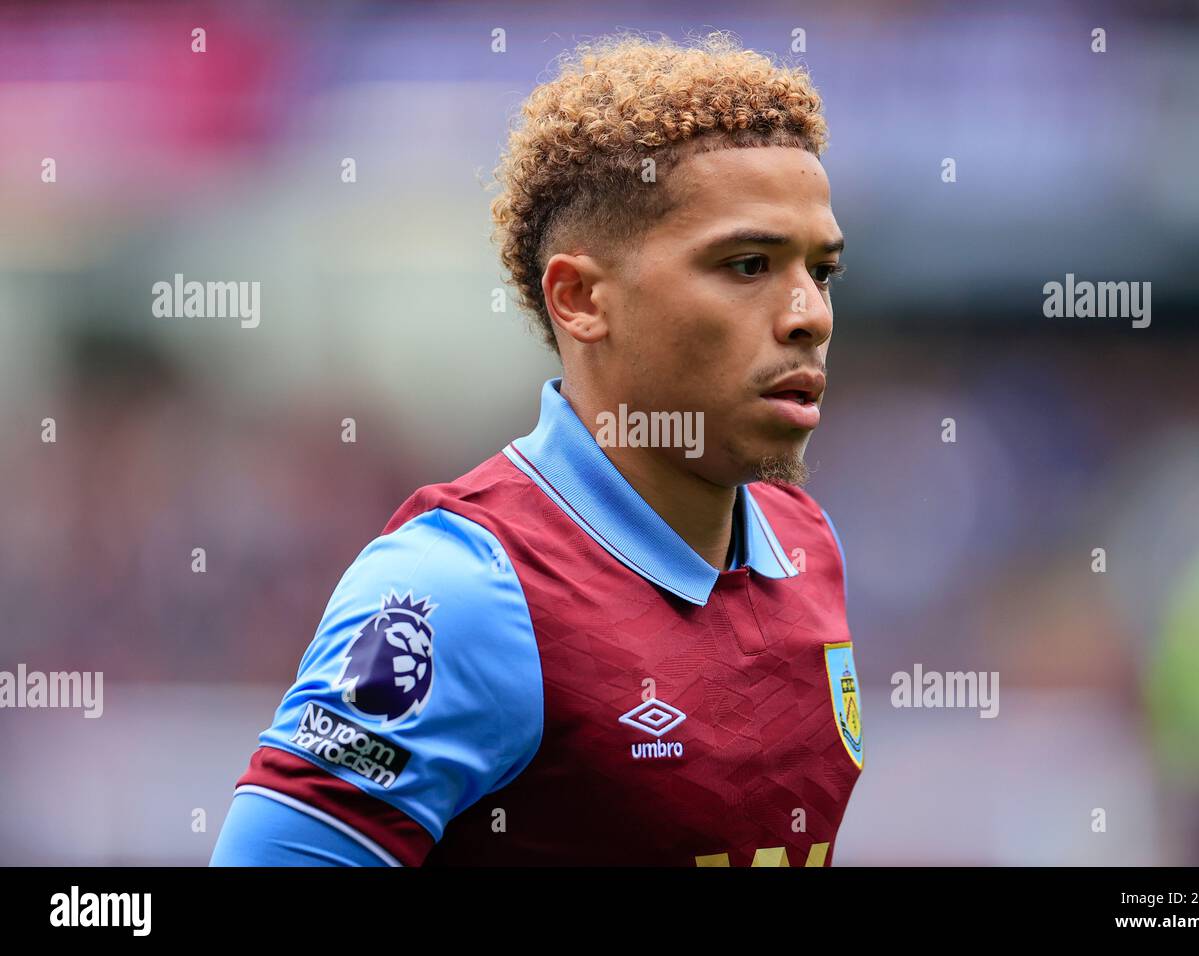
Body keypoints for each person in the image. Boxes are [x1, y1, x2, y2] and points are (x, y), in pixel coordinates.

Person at [211, 29, 861, 867]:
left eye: (822, 270)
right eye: (747, 264)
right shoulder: (460, 593)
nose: (809, 313)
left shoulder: (808, 547)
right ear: (582, 299)